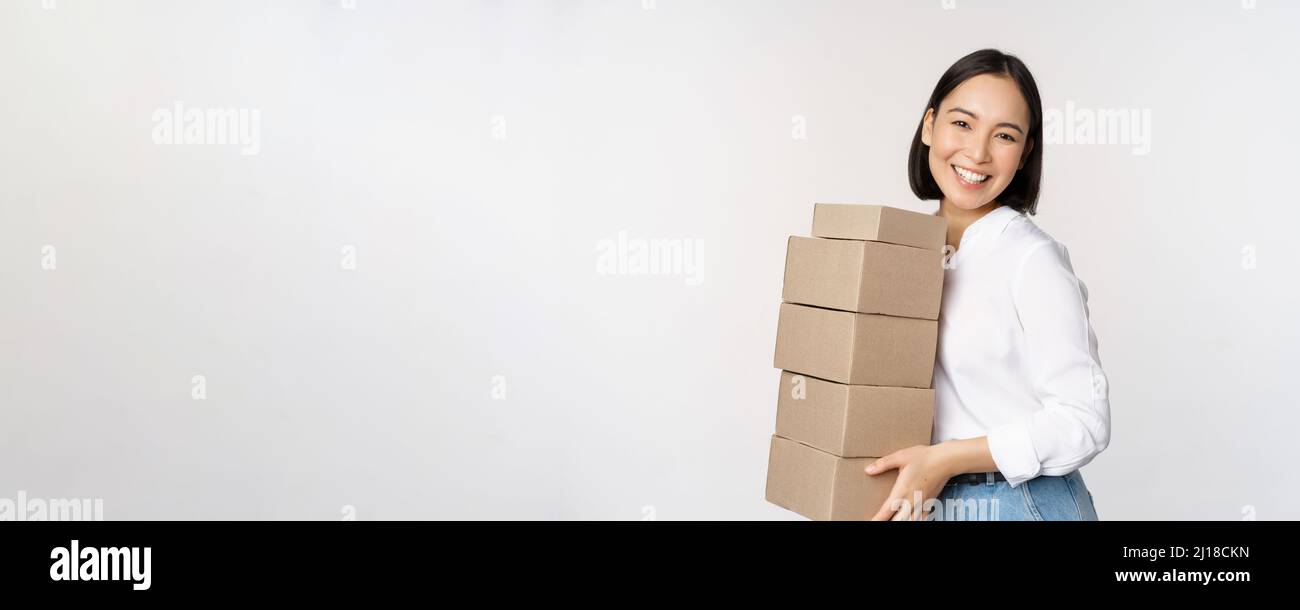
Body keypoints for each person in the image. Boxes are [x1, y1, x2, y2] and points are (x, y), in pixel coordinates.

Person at [865, 49, 1110, 521]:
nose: (977, 153)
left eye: (1004, 135)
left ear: (1024, 155)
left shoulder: (1031, 259)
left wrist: (946, 459)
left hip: (1018, 502)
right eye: (962, 124)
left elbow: (1085, 421)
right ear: (929, 125)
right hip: (928, 498)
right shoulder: (904, 254)